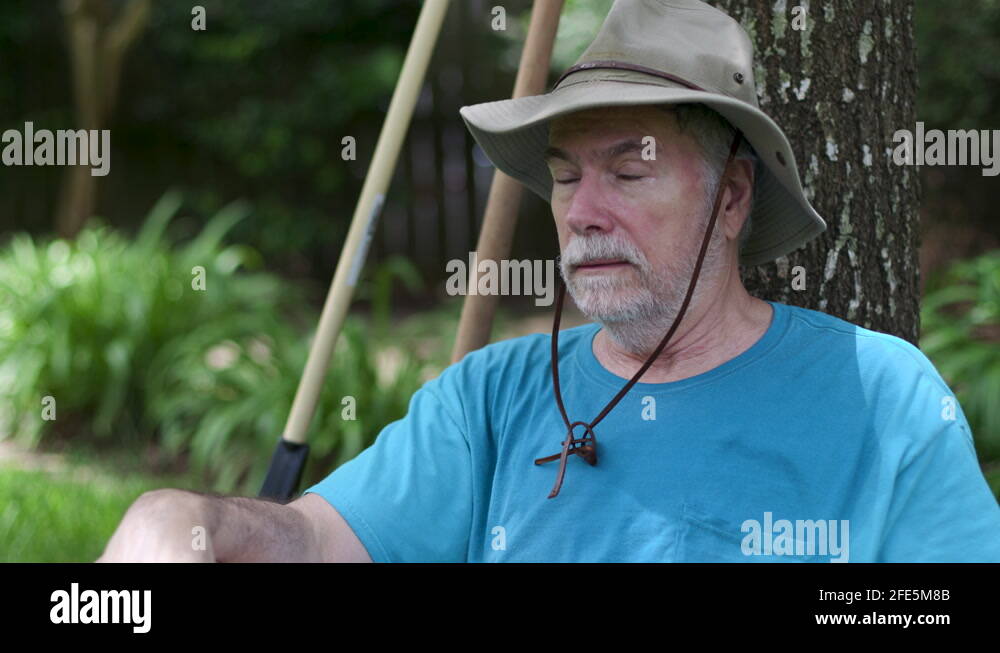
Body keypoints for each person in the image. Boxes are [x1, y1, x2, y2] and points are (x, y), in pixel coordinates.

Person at [99, 0, 1000, 563]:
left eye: (629, 170)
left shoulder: (881, 399)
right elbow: (317, 541)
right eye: (567, 175)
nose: (582, 211)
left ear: (730, 196)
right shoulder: (491, 400)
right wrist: (188, 518)